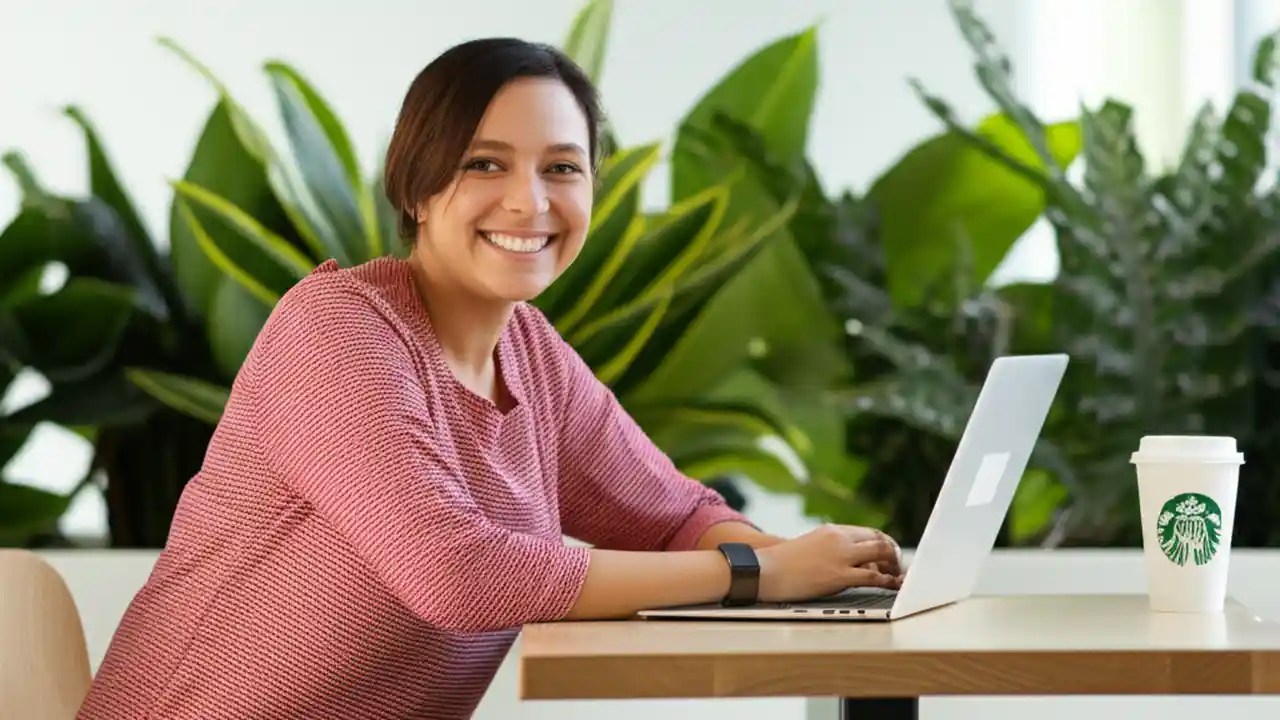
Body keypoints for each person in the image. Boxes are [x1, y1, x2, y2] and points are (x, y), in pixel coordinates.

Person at [75, 38, 903, 720]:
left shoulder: (531, 356)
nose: (529, 202)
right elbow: (455, 573)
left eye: (563, 168)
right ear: (417, 185)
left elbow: (674, 516)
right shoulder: (336, 330)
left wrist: (813, 569)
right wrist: (754, 577)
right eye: (484, 164)